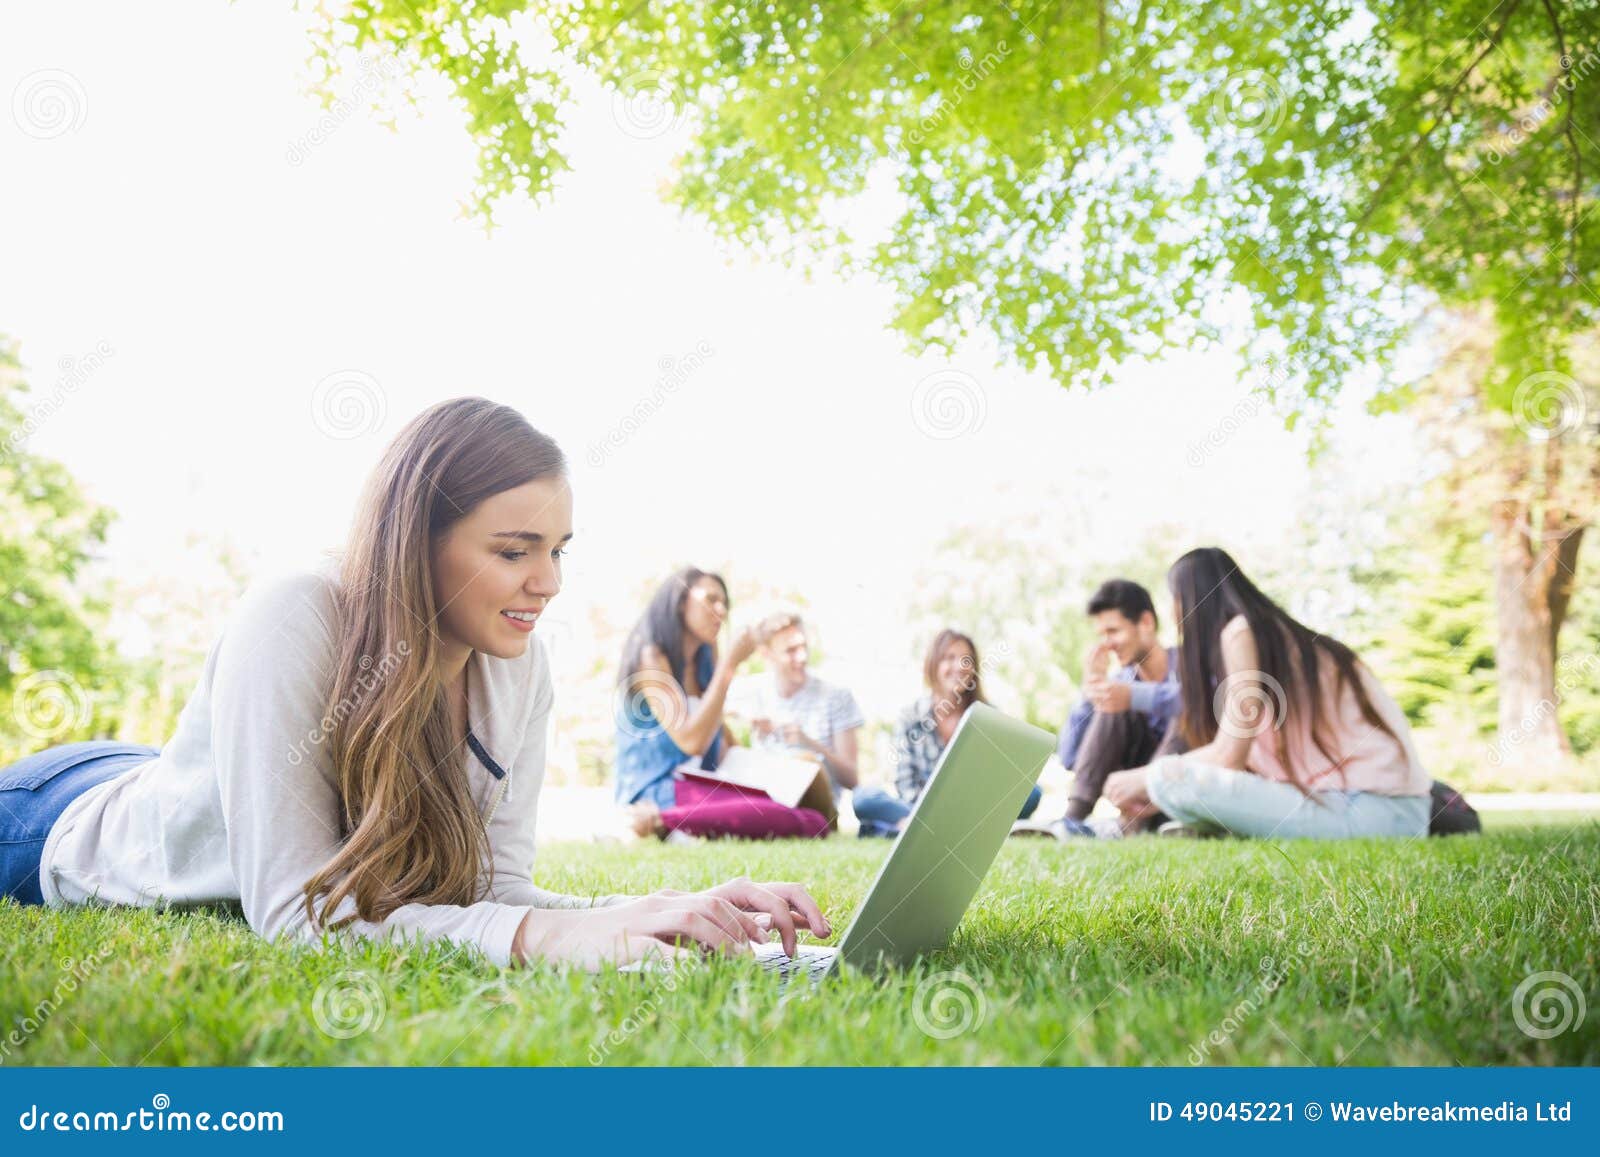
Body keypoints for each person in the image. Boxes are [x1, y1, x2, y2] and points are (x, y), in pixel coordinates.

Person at [1, 398, 829, 970]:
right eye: (513, 551)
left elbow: (493, 891)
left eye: (558, 548)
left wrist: (672, 907)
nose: (549, 582)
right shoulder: (295, 616)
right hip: (50, 822)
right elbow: (295, 920)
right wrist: (544, 939)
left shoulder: (518, 661)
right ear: (415, 540)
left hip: (178, 780)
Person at [1103, 547, 1433, 839]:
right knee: (1178, 783)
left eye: (1175, 600)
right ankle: (1203, 824)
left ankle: (1195, 819)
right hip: (1390, 809)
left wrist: (1145, 779)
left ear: (1191, 599)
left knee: (1170, 778)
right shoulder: (1272, 632)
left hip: (1372, 810)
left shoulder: (1241, 632)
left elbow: (1228, 755)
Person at [614, 570, 832, 841]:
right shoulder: (651, 657)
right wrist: (730, 665)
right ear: (680, 602)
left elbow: (712, 724)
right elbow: (690, 741)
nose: (721, 610)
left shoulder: (706, 655)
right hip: (659, 789)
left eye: (725, 603)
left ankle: (672, 824)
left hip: (702, 779)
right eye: (711, 600)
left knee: (811, 816)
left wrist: (757, 768)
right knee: (795, 820)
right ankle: (656, 819)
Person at [737, 610, 903, 832]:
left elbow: (852, 779)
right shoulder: (753, 693)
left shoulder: (836, 697)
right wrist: (744, 720)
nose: (802, 657)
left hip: (817, 810)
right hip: (767, 799)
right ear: (767, 654)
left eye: (803, 647)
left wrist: (809, 744)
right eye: (791, 650)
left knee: (804, 760)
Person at [1048, 579, 1186, 837]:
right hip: (1135, 803)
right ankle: (1070, 822)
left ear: (1146, 623)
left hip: (1181, 788)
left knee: (1187, 714)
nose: (1107, 644)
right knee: (1112, 706)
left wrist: (1131, 696)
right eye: (1101, 635)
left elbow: (1201, 706)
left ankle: (1158, 816)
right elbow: (1069, 758)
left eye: (1113, 631)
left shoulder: (1188, 664)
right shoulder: (1119, 684)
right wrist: (1089, 694)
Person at [890, 629, 1043, 830]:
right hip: (919, 808)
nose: (960, 667)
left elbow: (997, 779)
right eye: (949, 658)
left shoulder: (989, 716)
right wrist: (932, 810)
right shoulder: (910, 716)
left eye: (966, 660)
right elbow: (905, 784)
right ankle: (943, 823)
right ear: (933, 665)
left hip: (973, 808)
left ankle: (943, 824)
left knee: (1032, 793)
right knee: (866, 800)